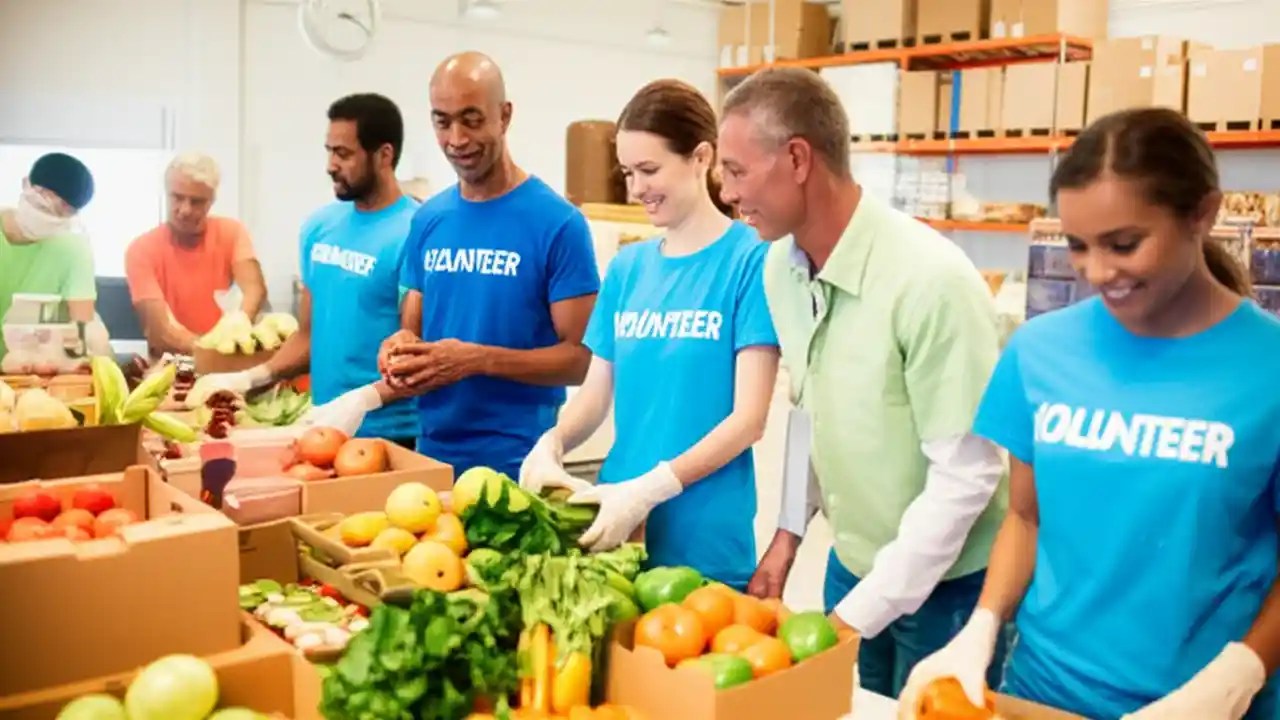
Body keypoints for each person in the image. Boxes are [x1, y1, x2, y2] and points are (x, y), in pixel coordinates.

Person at [898, 108, 1280, 720]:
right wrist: (981, 628)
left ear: (1202, 215)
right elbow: (1025, 516)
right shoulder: (1040, 350)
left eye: (1124, 244)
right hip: (1044, 692)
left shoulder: (1268, 367)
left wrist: (1240, 674)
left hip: (1208, 704)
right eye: (1079, 246)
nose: (1098, 272)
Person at [716, 66, 1009, 699]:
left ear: (797, 158)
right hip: (852, 566)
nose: (727, 192)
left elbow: (966, 477)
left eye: (737, 171)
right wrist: (790, 532)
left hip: (950, 588)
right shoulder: (779, 266)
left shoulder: (932, 283)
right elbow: (809, 409)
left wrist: (854, 618)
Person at [517, 79, 779, 589]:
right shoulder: (627, 268)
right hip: (618, 525)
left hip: (705, 537)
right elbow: (594, 399)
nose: (636, 189)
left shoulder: (751, 260)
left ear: (701, 158)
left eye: (650, 170)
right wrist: (553, 441)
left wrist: (652, 488)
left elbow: (750, 419)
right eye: (628, 173)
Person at [377, 51, 599, 479]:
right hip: (430, 457)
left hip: (519, 463)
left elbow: (580, 359)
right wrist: (398, 347)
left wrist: (475, 360)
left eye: (472, 119)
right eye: (443, 121)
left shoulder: (557, 223)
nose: (456, 139)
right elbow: (413, 330)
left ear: (504, 116)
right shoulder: (428, 219)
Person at [190, 93, 420, 446]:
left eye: (343, 154)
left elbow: (418, 351)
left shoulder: (417, 232)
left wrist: (363, 400)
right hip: (321, 425)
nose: (330, 164)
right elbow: (307, 336)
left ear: (384, 155)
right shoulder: (319, 227)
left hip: (391, 435)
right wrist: (251, 378)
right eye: (329, 151)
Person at [125, 152, 266, 356]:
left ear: (211, 201)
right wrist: (211, 350)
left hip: (225, 360)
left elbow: (254, 290)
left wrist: (238, 329)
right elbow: (161, 331)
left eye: (197, 201)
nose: (185, 210)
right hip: (170, 365)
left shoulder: (232, 232)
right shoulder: (141, 249)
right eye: (177, 198)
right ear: (166, 193)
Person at [0, 153, 97, 359]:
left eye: (59, 214)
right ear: (25, 184)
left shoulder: (73, 250)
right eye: (41, 204)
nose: (45, 216)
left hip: (30, 372)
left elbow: (81, 330)